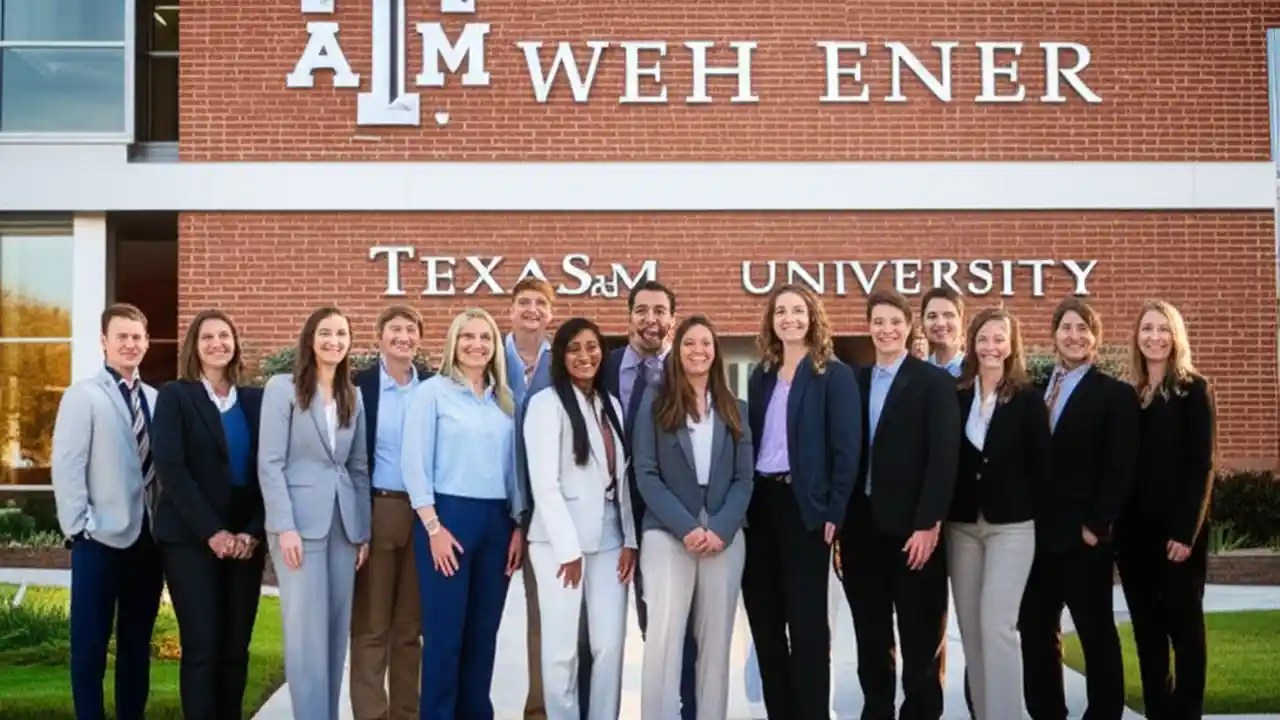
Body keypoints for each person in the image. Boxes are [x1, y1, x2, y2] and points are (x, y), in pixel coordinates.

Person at [841, 289, 960, 720]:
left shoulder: (933, 382)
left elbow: (943, 458)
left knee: (920, 637)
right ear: (869, 327)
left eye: (895, 322)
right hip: (862, 531)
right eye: (878, 322)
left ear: (909, 327)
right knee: (871, 636)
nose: (886, 330)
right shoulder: (853, 381)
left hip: (915, 531)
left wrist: (929, 524)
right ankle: (877, 710)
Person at [744, 284, 861, 720]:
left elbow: (847, 450)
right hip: (760, 507)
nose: (789, 319)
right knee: (766, 622)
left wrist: (836, 510)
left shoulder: (833, 373)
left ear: (813, 316)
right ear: (771, 320)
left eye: (797, 310)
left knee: (808, 625)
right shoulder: (761, 375)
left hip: (805, 509)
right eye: (780, 312)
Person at [402, 308, 525, 720]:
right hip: (447, 520)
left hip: (498, 524)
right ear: (453, 342)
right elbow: (414, 464)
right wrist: (433, 527)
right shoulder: (431, 393)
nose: (477, 345)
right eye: (468, 336)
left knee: (482, 637)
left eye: (485, 338)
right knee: (444, 637)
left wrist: (517, 527)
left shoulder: (505, 401)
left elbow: (514, 472)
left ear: (495, 347)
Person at [1020, 297, 1138, 720]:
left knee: (1095, 633)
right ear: (1054, 335)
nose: (1074, 336)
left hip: (1083, 538)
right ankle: (1047, 711)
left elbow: (1120, 467)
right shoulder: (1033, 392)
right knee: (1036, 632)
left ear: (1095, 338)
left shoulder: (1114, 395)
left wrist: (1096, 524)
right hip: (1034, 537)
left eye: (1083, 328)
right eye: (1067, 327)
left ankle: (1104, 714)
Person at [633, 314, 755, 720]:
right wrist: (686, 527)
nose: (698, 350)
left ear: (715, 351)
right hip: (668, 532)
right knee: (664, 642)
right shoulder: (655, 402)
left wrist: (720, 528)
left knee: (716, 644)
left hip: (724, 535)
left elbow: (744, 478)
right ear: (677, 351)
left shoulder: (735, 408)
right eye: (688, 343)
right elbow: (645, 473)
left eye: (705, 343)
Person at [52, 302, 165, 720]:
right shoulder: (83, 395)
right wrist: (78, 528)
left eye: (137, 337)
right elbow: (68, 466)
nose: (131, 344)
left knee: (137, 646)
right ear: (104, 342)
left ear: (147, 342)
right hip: (98, 541)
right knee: (89, 647)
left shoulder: (156, 399)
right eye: (122, 337)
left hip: (148, 543)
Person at [152, 309, 266, 720]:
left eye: (224, 336)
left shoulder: (256, 400)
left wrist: (252, 532)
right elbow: (172, 470)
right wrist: (213, 532)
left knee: (236, 648)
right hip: (191, 537)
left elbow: (268, 469)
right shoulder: (176, 396)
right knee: (202, 647)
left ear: (235, 343)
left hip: (247, 538)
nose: (217, 343)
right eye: (207, 338)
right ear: (194, 348)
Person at [259, 306, 372, 720]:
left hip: (343, 526)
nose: (334, 341)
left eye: (341, 333)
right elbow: (270, 463)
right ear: (310, 339)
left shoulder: (352, 396)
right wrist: (283, 526)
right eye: (325, 333)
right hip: (298, 528)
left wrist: (362, 531)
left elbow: (357, 467)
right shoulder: (281, 389)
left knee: (334, 631)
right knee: (306, 635)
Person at [524, 317, 637, 720]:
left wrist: (630, 540)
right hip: (558, 543)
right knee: (561, 650)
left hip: (610, 538)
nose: (585, 356)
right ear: (561, 356)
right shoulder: (545, 405)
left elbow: (623, 480)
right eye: (574, 348)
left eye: (592, 347)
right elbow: (544, 484)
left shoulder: (612, 406)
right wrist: (567, 550)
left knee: (609, 645)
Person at [946, 307, 1050, 720]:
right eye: (984, 338)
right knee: (972, 634)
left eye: (999, 338)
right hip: (962, 527)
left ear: (1012, 345)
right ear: (972, 343)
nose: (991, 346)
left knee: (998, 628)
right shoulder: (955, 395)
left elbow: (1043, 469)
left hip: (1013, 527)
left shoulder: (1028, 398)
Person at [600, 280, 697, 719]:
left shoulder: (686, 369)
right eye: (642, 310)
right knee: (601, 626)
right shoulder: (603, 364)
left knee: (673, 619)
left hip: (667, 509)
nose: (651, 320)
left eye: (660, 311)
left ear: (672, 320)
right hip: (607, 508)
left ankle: (685, 708)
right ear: (629, 316)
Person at [1115, 300, 1216, 719]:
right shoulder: (1128, 394)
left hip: (1178, 531)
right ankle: (1159, 710)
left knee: (1184, 629)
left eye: (1162, 328)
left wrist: (1186, 532)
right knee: (1147, 630)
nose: (1154, 336)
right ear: (1136, 337)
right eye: (1147, 329)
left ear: (1176, 337)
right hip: (1133, 532)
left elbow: (1202, 465)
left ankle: (1186, 711)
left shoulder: (1194, 389)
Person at [350, 306, 433, 720]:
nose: (403, 336)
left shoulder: (435, 388)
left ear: (420, 337)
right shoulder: (359, 386)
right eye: (395, 329)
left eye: (410, 329)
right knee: (371, 625)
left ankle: (406, 713)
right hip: (379, 508)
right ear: (379, 336)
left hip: (425, 516)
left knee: (409, 628)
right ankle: (370, 714)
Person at [504, 278, 557, 720]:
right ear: (511, 310)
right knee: (474, 618)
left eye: (540, 303)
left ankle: (539, 709)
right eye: (524, 302)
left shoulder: (561, 364)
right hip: (489, 504)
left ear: (550, 313)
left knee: (546, 618)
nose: (532, 310)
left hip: (544, 510)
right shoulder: (484, 356)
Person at [922, 287, 965, 378]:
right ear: (923, 322)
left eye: (949, 315)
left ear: (961, 320)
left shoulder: (975, 372)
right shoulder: (916, 372)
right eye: (932, 316)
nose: (940, 323)